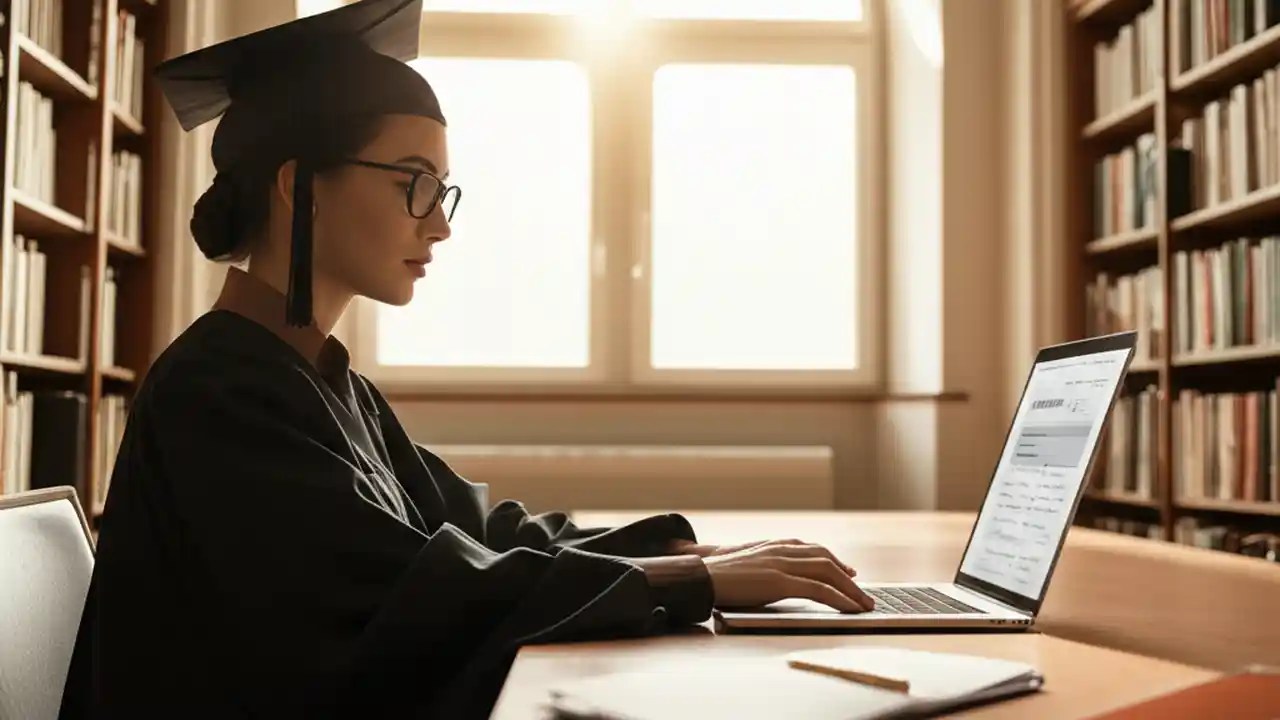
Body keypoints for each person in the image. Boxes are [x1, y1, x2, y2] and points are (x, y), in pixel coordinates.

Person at [58, 1, 873, 717]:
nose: (439, 225)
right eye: (414, 183)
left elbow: (481, 535)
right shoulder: (215, 395)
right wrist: (689, 587)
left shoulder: (327, 382)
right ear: (298, 186)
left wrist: (685, 556)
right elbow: (419, 598)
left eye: (442, 191)